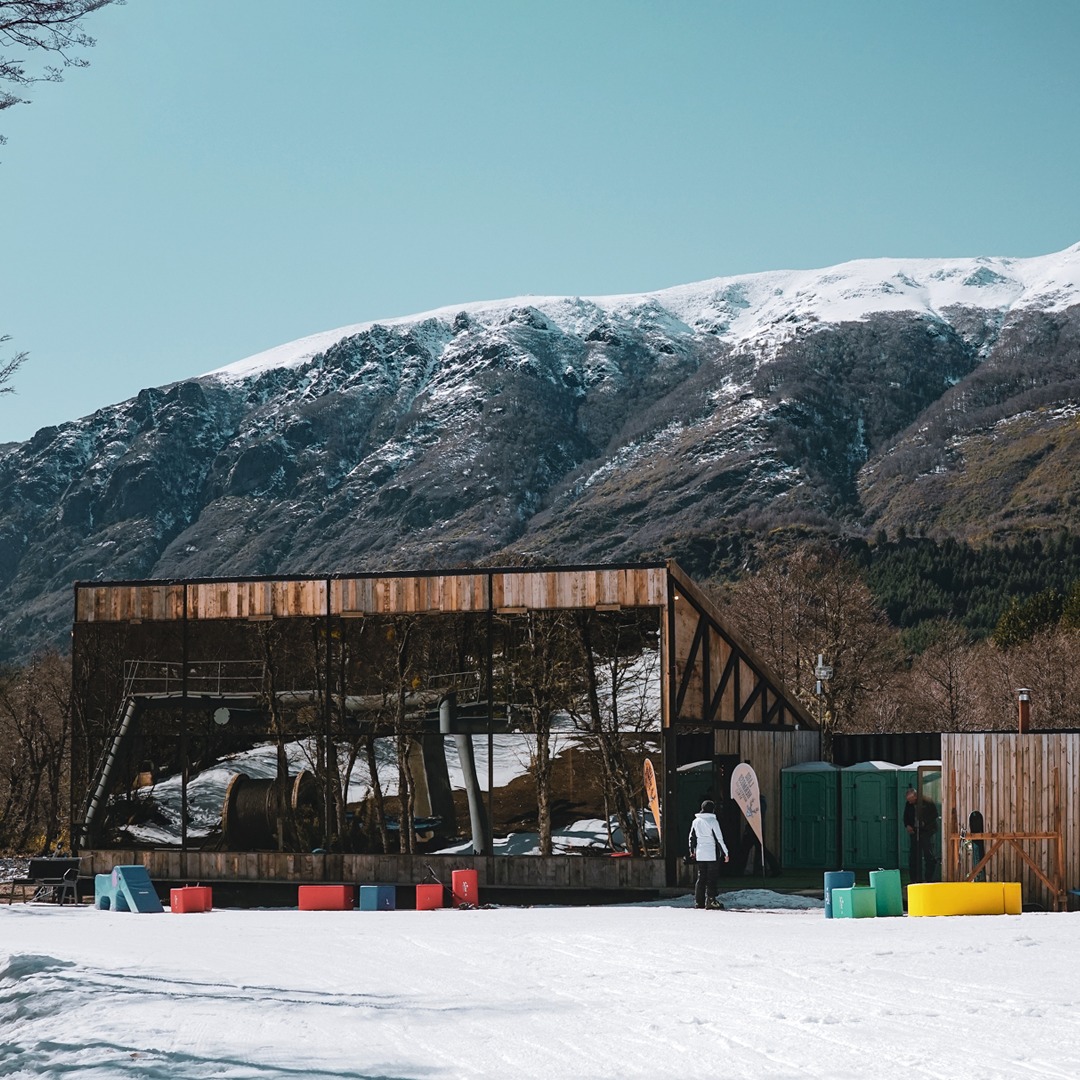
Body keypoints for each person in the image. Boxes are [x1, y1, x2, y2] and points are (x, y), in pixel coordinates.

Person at [688, 799, 730, 909]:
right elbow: (719, 839)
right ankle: (711, 900)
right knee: (712, 878)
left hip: (700, 853)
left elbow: (691, 838)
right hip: (712, 853)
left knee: (701, 877)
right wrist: (725, 853)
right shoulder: (713, 821)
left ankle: (698, 902)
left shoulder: (696, 821)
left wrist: (692, 851)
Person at [904, 786, 938, 882]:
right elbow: (906, 816)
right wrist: (907, 825)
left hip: (927, 832)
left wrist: (924, 822)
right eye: (908, 800)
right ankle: (914, 879)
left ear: (915, 797)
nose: (909, 802)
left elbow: (934, 815)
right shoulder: (909, 804)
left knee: (929, 856)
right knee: (914, 857)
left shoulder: (927, 802)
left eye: (910, 800)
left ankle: (929, 879)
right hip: (915, 832)